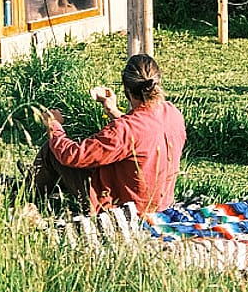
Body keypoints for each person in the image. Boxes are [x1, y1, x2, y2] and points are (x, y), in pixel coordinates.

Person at [30, 54, 186, 215]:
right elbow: (143, 132)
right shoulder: (172, 112)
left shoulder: (124, 129)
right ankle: (46, 184)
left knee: (52, 149)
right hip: (159, 204)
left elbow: (71, 156)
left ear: (127, 90)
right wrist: (113, 110)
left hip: (121, 209)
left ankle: (27, 194)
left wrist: (53, 126)